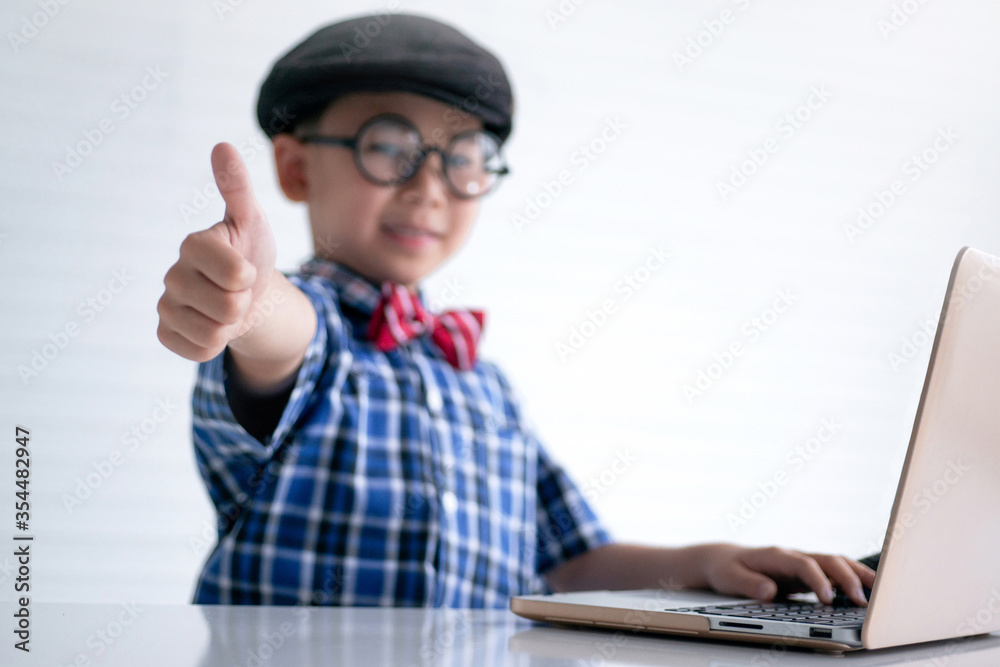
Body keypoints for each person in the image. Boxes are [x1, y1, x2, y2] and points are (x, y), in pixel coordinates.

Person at [156, 12, 876, 608]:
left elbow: (572, 561)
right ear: (296, 166)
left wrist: (711, 559)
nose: (431, 187)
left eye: (464, 156)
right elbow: (287, 335)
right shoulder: (311, 331)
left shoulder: (486, 388)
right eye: (390, 147)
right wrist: (248, 300)